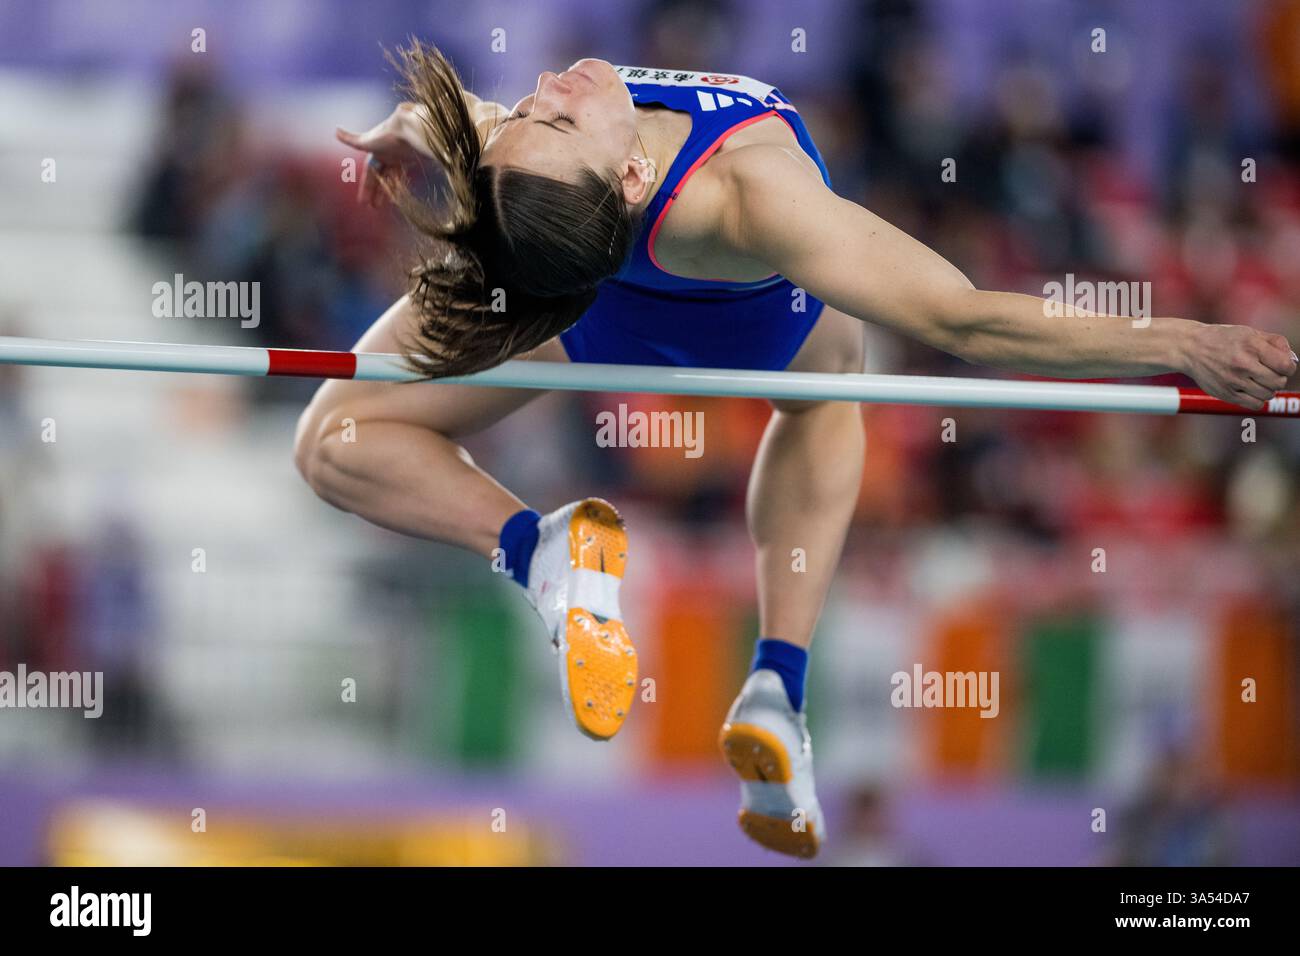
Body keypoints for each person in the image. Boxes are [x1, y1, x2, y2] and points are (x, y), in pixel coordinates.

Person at [294, 41, 1296, 858]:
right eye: (547, 117)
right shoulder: (745, 192)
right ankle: (772, 677)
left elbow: (478, 121)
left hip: (580, 311)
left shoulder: (576, 163)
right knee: (826, 390)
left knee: (337, 439)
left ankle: (550, 555)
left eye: (539, 113)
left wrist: (423, 129)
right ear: (632, 173)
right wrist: (1180, 343)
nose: (548, 88)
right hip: (751, 326)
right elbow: (965, 319)